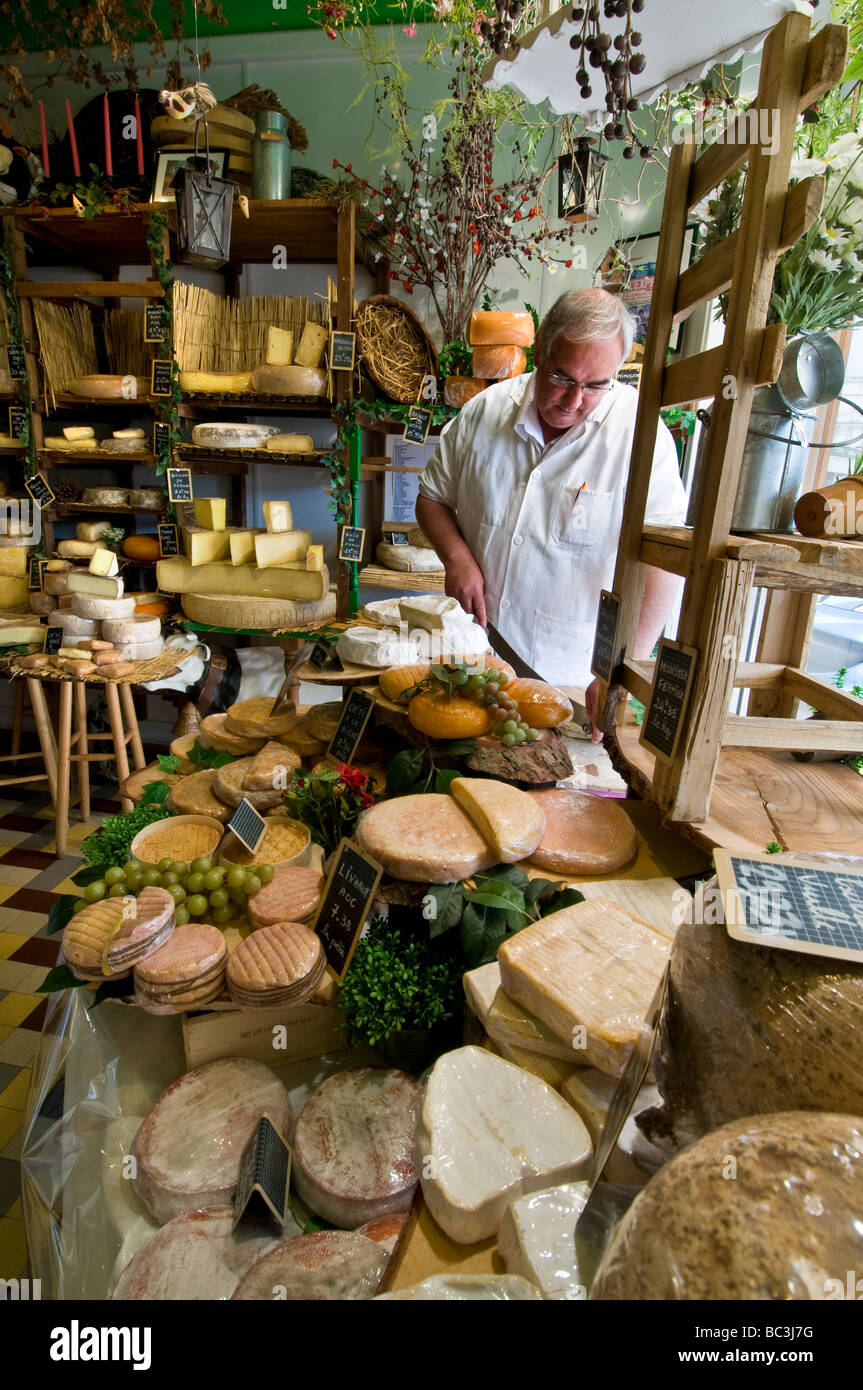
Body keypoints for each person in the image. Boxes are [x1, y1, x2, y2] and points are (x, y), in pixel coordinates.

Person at [415, 288, 687, 738]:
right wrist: (456, 556)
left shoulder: (640, 435)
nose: (575, 400)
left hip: (575, 681)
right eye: (562, 377)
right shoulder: (484, 411)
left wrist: (623, 667)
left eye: (597, 384)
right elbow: (433, 498)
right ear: (539, 349)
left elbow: (665, 556)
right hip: (475, 657)